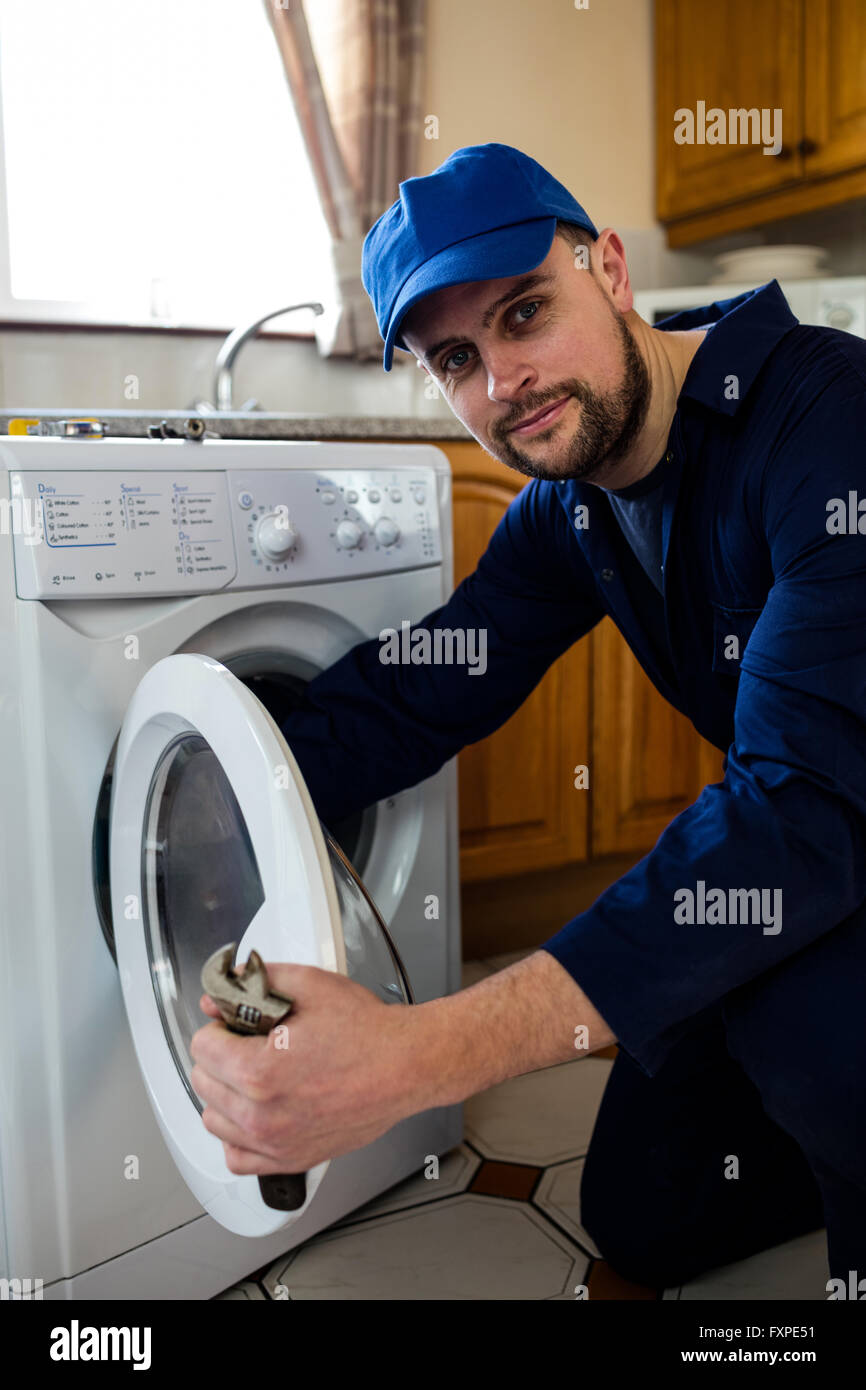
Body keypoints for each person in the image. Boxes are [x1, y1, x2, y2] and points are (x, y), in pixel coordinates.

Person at [192, 142, 866, 1291]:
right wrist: (205, 801)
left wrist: (416, 1058)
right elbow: (424, 689)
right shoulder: (571, 511)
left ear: (606, 269)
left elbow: (797, 814)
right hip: (810, 843)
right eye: (457, 355)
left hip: (829, 827)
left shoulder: (829, 421)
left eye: (523, 312)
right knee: (645, 1211)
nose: (503, 378)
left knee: (803, 1023)